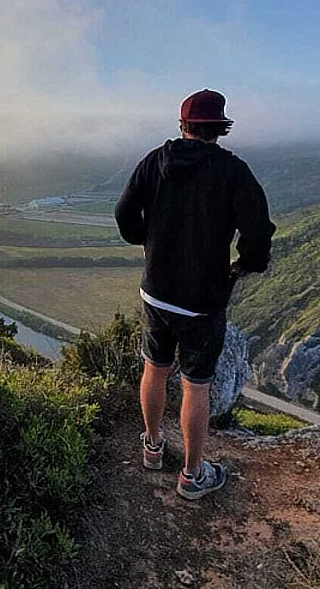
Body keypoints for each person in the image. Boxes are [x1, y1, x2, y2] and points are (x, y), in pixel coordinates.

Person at [115, 89, 275, 500]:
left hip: (156, 292)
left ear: (183, 125)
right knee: (195, 385)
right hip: (202, 300)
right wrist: (246, 264)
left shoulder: (156, 161)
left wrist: (145, 242)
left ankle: (152, 448)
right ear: (219, 128)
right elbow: (258, 231)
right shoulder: (232, 171)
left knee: (155, 367)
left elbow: (124, 213)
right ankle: (192, 474)